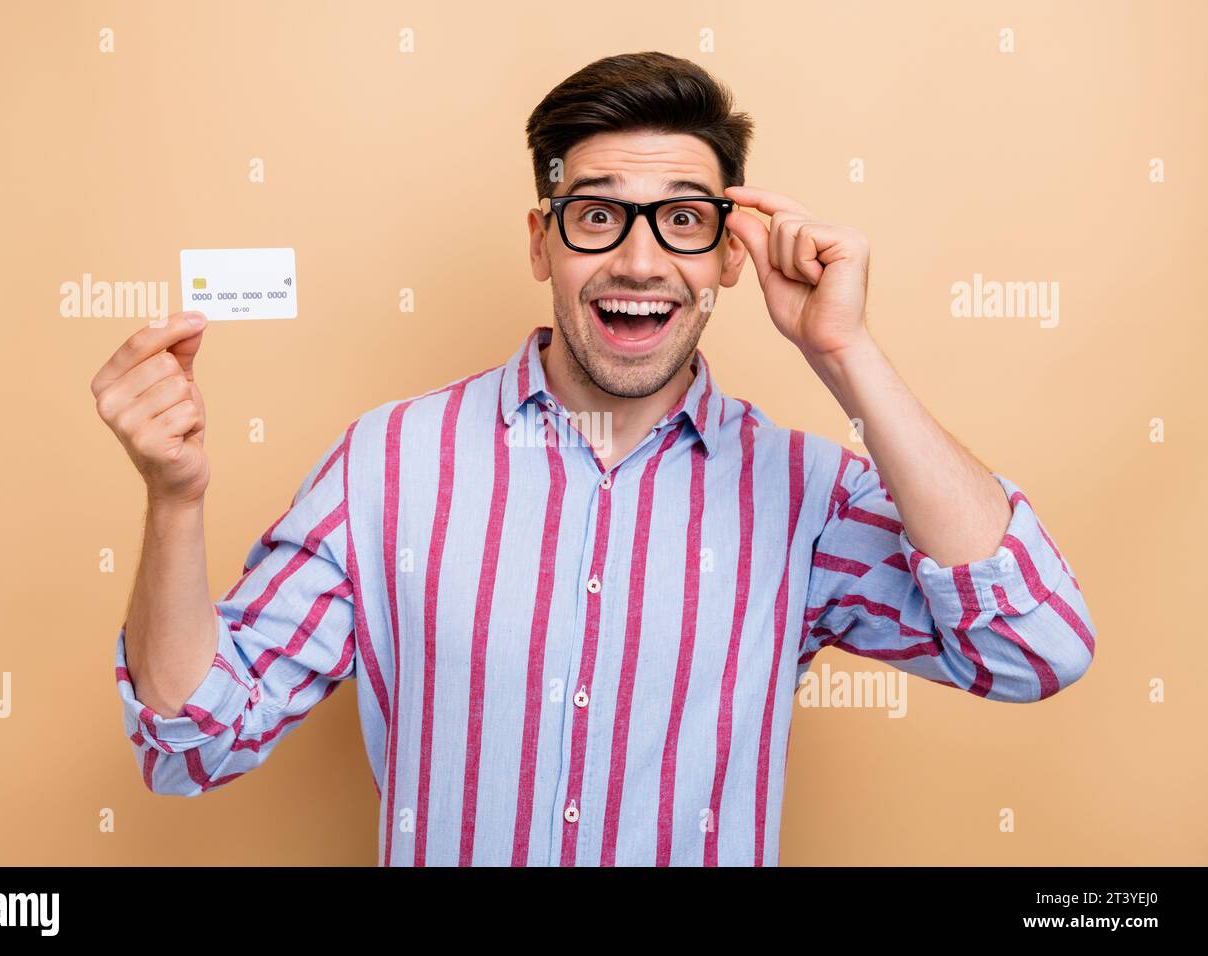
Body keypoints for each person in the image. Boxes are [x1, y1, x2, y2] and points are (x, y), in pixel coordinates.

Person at [90, 51, 1095, 866]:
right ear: (543, 242)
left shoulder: (805, 495)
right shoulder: (384, 465)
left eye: (683, 222)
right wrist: (173, 500)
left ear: (726, 258)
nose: (641, 260)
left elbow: (1032, 647)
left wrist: (845, 351)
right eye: (598, 215)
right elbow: (192, 742)